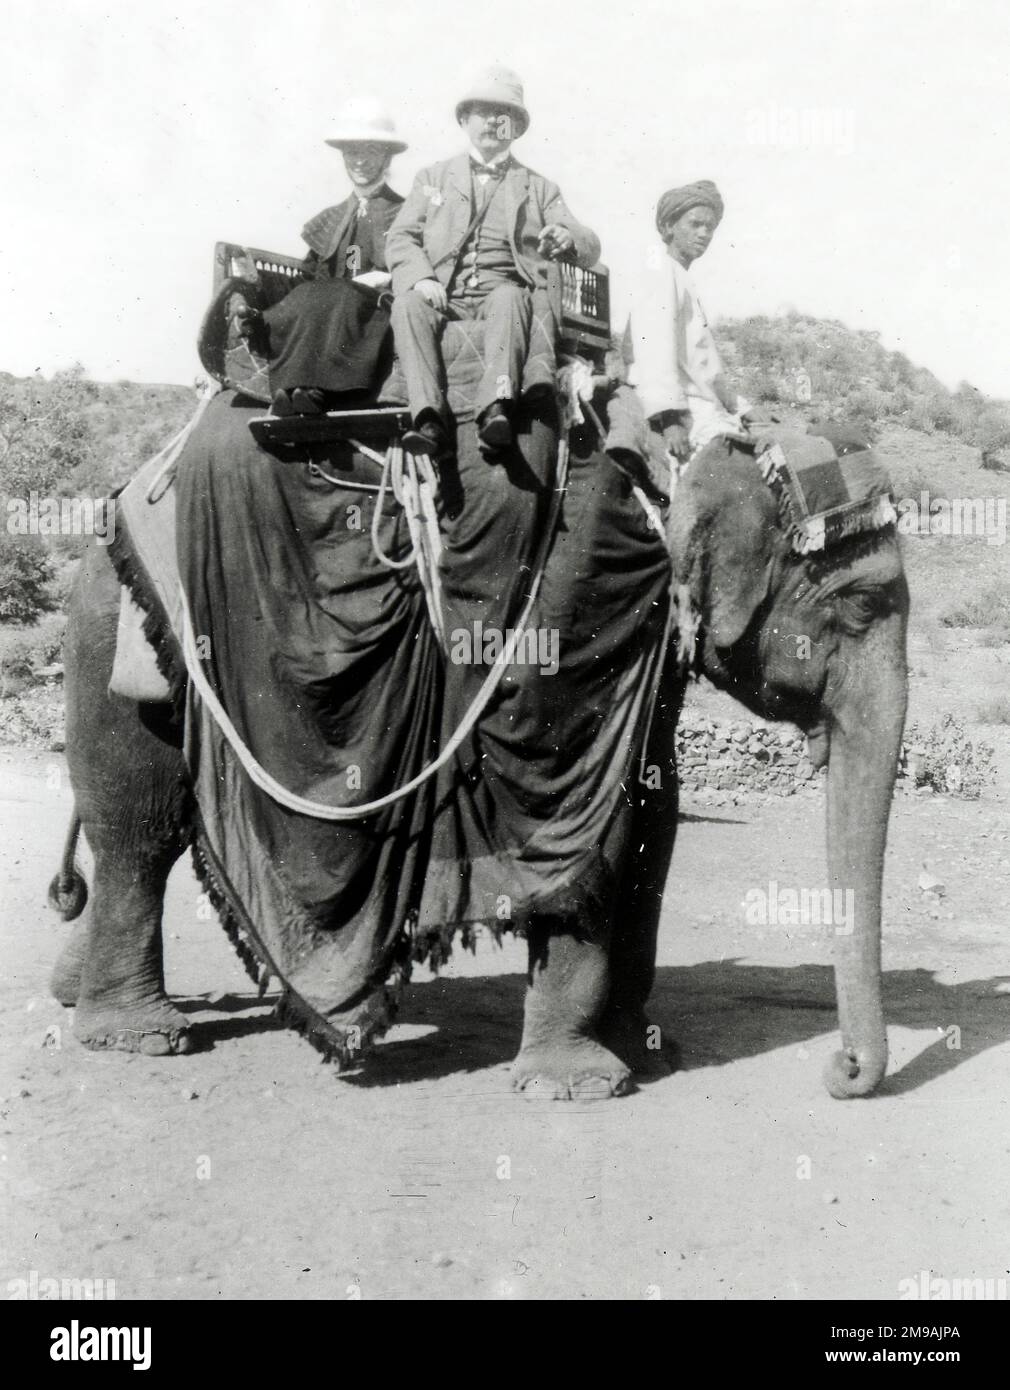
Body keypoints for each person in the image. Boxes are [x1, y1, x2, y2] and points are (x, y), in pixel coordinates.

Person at [386, 67, 600, 457]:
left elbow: (588, 242)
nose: (491, 122)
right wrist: (421, 278)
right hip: (442, 295)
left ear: (515, 128)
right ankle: (428, 419)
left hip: (501, 297)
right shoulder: (431, 178)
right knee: (406, 304)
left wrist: (567, 237)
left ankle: (496, 408)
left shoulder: (540, 188)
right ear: (464, 121)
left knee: (509, 296)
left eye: (502, 115)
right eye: (482, 113)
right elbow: (401, 237)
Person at [263, 99, 407, 416]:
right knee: (307, 295)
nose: (360, 161)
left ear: (387, 157)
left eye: (370, 151)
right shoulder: (331, 218)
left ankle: (318, 389)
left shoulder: (408, 212)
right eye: (352, 152)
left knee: (340, 294)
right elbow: (308, 276)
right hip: (329, 310)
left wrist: (385, 277)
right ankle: (293, 390)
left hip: (373, 312)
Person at [629, 180, 751, 463]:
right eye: (695, 224)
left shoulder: (681, 277)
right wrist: (669, 419)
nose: (704, 233)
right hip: (684, 410)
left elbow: (705, 368)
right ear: (669, 226)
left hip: (704, 404)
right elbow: (654, 349)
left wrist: (743, 408)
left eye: (710, 227)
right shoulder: (661, 271)